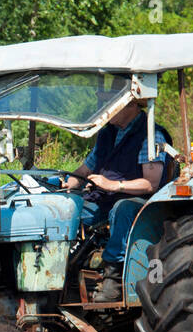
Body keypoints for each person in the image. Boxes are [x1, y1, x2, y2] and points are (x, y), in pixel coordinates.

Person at [61, 98, 168, 302]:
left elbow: (150, 184)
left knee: (122, 208)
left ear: (133, 105)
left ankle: (113, 277)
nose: (107, 111)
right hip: (103, 198)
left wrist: (113, 185)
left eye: (114, 105)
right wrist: (70, 182)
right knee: (69, 211)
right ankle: (68, 272)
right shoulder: (107, 134)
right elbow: (86, 169)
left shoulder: (151, 135)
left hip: (138, 201)